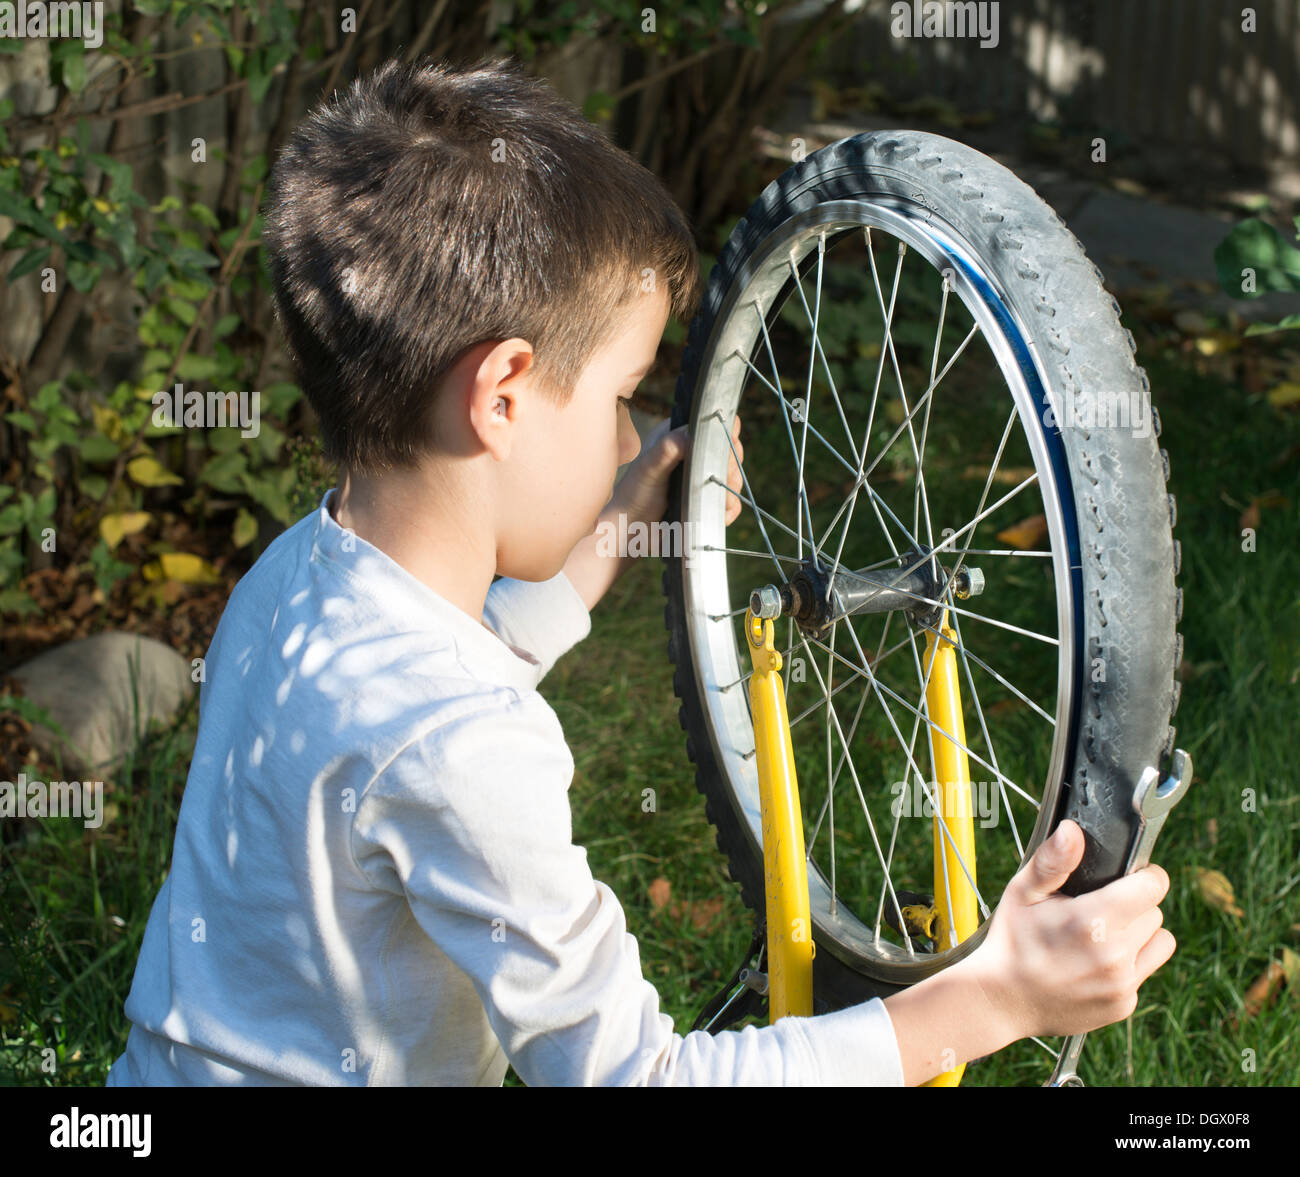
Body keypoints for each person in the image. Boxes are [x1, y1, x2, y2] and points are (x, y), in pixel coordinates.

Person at [105, 56, 1174, 1087]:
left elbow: (443, 675)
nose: (628, 438)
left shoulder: (301, 578)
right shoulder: (460, 747)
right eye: (620, 394)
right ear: (504, 395)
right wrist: (994, 998)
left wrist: (614, 528)